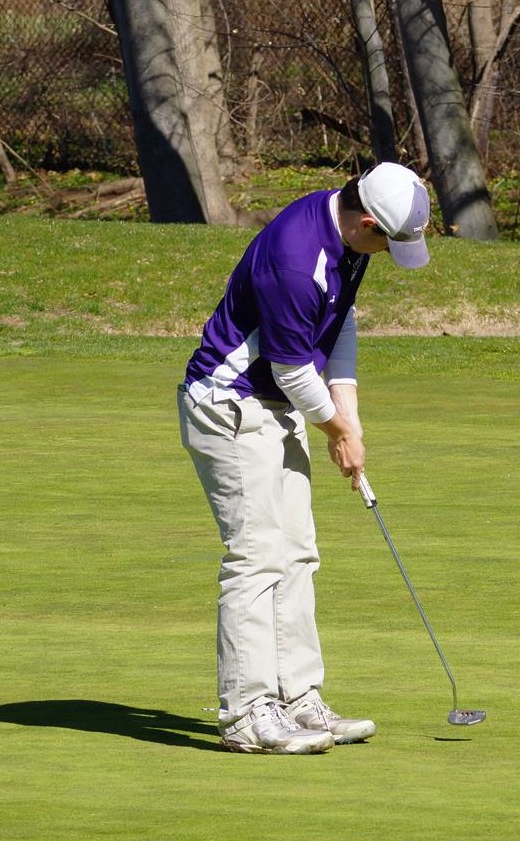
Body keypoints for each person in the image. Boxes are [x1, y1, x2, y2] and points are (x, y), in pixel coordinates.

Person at [177, 162, 432, 754]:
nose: (388, 253)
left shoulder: (348, 237)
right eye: (388, 242)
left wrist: (351, 420)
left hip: (275, 404)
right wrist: (335, 430)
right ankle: (247, 714)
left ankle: (297, 699)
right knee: (256, 556)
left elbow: (337, 330)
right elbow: (293, 368)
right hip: (230, 404)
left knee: (297, 553)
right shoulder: (298, 258)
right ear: (368, 221)